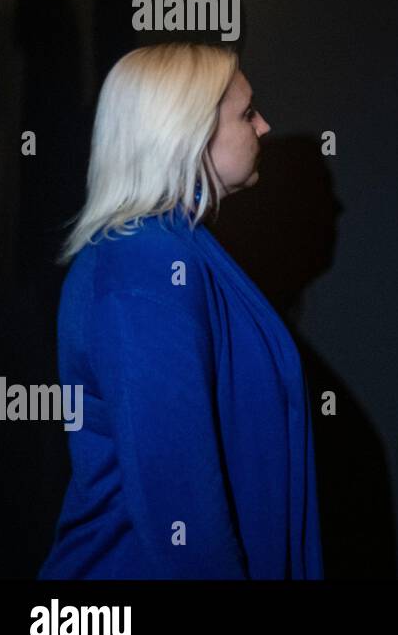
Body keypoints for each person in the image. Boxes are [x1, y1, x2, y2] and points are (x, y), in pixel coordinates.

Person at [39, 42, 324, 579]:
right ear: (187, 134)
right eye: (246, 114)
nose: (264, 127)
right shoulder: (143, 264)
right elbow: (183, 514)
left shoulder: (179, 249)